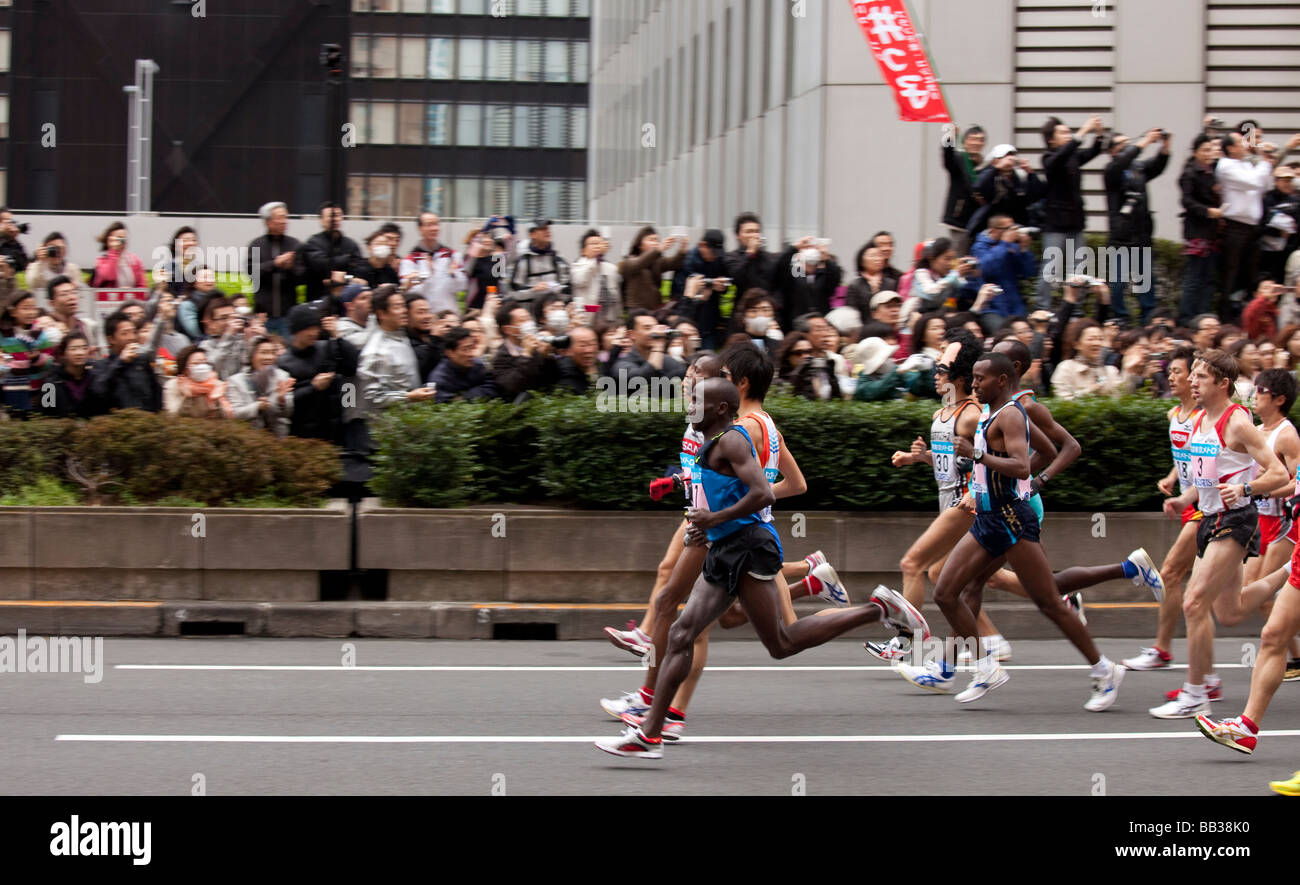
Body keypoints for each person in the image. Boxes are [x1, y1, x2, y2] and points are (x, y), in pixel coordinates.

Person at [596, 377, 916, 759]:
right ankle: (650, 734)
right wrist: (697, 508)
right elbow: (722, 487)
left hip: (749, 547)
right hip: (724, 548)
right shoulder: (714, 443)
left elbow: (762, 492)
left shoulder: (732, 439)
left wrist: (714, 520)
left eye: (696, 401)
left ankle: (878, 609)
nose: (688, 407)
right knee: (682, 633)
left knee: (782, 642)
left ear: (719, 408)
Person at [931, 351, 1126, 708]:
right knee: (945, 592)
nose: (973, 384)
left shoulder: (1010, 415)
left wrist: (979, 458)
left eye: (981, 378)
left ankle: (1104, 670)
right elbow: (1049, 450)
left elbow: (1022, 466)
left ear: (1002, 380)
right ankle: (985, 667)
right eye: (972, 377)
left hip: (1012, 519)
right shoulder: (989, 411)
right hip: (988, 519)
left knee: (1049, 601)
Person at [1151, 349, 1291, 718]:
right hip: (1209, 518)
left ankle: (1196, 691)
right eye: (1191, 375)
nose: (1191, 382)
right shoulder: (1200, 421)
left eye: (1200, 376)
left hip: (1236, 519)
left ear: (1222, 383)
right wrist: (1184, 499)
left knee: (1194, 602)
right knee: (1229, 611)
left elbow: (1279, 475)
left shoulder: (1237, 421)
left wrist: (1246, 490)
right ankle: (1288, 574)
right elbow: (1204, 478)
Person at [1122, 346, 1204, 672]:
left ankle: (1163, 651)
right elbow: (1184, 458)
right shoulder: (1174, 415)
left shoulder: (1204, 419)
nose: (1171, 377)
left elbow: (1212, 465)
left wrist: (1187, 496)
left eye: (1178, 372)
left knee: (1170, 573)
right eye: (1169, 372)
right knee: (1234, 595)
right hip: (1191, 505)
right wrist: (1172, 477)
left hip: (1206, 506)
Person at [1103, 127, 1171, 325]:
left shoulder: (1138, 168)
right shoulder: (1111, 171)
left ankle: (1147, 318)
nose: (1127, 147)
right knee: (1117, 283)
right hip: (1121, 237)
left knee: (1145, 282)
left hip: (1142, 234)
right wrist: (1146, 141)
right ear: (1112, 150)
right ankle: (1120, 318)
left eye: (1128, 143)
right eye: (1122, 144)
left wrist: (1165, 147)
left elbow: (1157, 165)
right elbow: (1125, 158)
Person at [1037, 115, 1106, 310]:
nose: (1068, 135)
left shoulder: (1073, 156)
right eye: (1063, 132)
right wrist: (1082, 132)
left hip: (1076, 222)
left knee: (1079, 269)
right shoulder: (1049, 158)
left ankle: (1075, 309)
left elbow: (1095, 150)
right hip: (1055, 224)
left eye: (1069, 132)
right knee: (1050, 268)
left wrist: (1098, 133)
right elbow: (1061, 157)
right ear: (1051, 139)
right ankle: (1043, 309)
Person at [277, 304, 361, 445]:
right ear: (296, 330)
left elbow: (352, 367)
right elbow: (286, 403)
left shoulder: (326, 347)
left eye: (316, 328)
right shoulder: (283, 363)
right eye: (308, 329)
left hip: (336, 430)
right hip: (305, 436)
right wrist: (313, 387)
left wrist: (337, 336)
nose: (313, 333)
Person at [356, 287, 434, 415]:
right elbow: (373, 396)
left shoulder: (402, 335)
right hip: (391, 426)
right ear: (382, 314)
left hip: (413, 418)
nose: (404, 311)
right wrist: (408, 396)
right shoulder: (375, 351)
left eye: (404, 306)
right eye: (397, 307)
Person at [92, 308, 165, 412]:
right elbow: (98, 390)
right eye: (125, 333)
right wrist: (120, 362)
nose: (132, 337)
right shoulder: (101, 365)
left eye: (134, 332)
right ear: (111, 339)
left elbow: (156, 392)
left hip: (146, 421)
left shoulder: (142, 361)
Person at [248, 201, 302, 338]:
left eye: (286, 217)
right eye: (280, 217)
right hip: (263, 315)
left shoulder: (295, 244)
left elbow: (302, 275)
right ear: (268, 222)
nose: (284, 221)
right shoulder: (256, 244)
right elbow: (252, 273)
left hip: (288, 314)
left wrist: (290, 268)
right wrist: (275, 264)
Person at [0, 290, 57, 416]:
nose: (31, 312)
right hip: (11, 394)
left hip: (39, 393)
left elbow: (51, 362)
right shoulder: (2, 335)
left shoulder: (40, 334)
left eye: (33, 308)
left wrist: (37, 358)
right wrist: (7, 363)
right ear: (12, 312)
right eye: (25, 308)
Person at [970, 215, 1037, 321]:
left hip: (1015, 304)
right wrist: (1004, 244)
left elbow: (1028, 273)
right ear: (993, 231)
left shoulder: (1012, 246)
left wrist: (1024, 249)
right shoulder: (979, 246)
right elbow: (985, 269)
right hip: (991, 306)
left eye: (1014, 228)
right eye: (1008, 228)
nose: (1013, 231)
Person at [968, 144, 1044, 236]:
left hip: (1016, 225)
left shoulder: (1019, 176)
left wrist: (1030, 173)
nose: (1010, 159)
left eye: (1012, 155)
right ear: (995, 160)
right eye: (1005, 156)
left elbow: (1037, 195)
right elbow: (979, 187)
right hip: (990, 227)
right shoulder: (989, 175)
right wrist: (995, 168)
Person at [399, 211, 466, 314]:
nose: (434, 228)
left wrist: (452, 274)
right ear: (420, 229)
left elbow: (462, 286)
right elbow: (412, 293)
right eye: (429, 225)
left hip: (449, 315)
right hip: (423, 317)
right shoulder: (410, 260)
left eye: (436, 224)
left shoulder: (453, 255)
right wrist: (428, 274)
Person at [490, 300, 558, 401]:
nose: (529, 323)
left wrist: (547, 356)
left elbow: (552, 380)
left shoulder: (538, 344)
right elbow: (513, 387)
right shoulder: (501, 358)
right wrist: (526, 354)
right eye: (523, 320)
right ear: (507, 329)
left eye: (529, 319)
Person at [671, 229, 730, 345]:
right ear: (702, 245)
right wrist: (711, 284)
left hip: (710, 322)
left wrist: (723, 286)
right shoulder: (688, 261)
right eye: (712, 252)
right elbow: (684, 291)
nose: (714, 257)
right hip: (689, 321)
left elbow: (725, 283)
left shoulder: (719, 260)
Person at [770, 236, 842, 331]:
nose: (810, 251)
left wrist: (826, 259)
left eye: (813, 248)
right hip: (795, 325)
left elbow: (835, 277)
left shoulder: (823, 273)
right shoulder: (794, 272)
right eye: (806, 248)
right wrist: (794, 248)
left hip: (820, 323)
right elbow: (779, 267)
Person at [227, 336, 295, 437]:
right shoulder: (236, 381)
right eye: (264, 352)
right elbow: (235, 414)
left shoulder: (282, 376)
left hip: (278, 440)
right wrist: (257, 406)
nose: (269, 357)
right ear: (251, 355)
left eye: (273, 352)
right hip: (248, 438)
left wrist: (281, 400)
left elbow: (289, 412)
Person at [618, 226, 687, 314]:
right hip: (636, 310)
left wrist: (682, 250)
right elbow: (639, 263)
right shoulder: (629, 261)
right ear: (639, 244)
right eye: (651, 240)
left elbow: (674, 263)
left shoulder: (657, 261)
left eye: (657, 240)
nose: (655, 243)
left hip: (655, 309)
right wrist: (658, 250)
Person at [302, 202, 362, 304]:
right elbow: (320, 266)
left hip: (347, 301)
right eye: (331, 216)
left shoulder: (350, 244)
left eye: (338, 215)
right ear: (322, 220)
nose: (335, 219)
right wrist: (345, 259)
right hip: (318, 299)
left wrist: (343, 278)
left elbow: (358, 268)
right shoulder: (313, 242)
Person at [39, 332, 106, 419]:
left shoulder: (95, 378)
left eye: (84, 348)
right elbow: (46, 416)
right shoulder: (50, 383)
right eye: (73, 349)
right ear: (63, 353)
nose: (79, 353)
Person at [941, 124, 986, 253]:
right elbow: (947, 158)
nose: (976, 143)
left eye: (980, 139)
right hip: (959, 220)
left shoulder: (986, 165)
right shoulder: (959, 160)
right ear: (965, 141)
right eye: (972, 139)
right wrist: (949, 137)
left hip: (979, 223)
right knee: (958, 259)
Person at [1051, 319, 1123, 399]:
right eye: (1091, 339)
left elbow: (1123, 400)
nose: (1097, 343)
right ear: (1076, 344)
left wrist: (1129, 371)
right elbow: (1063, 401)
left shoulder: (1111, 372)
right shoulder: (1066, 368)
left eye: (1100, 339)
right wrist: (1089, 391)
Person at [724, 213, 775, 317]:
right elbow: (736, 277)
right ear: (738, 235)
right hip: (742, 314)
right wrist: (750, 252)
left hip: (766, 312)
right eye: (749, 231)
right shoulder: (731, 257)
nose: (754, 235)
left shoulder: (770, 258)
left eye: (757, 231)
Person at [509, 218, 570, 304]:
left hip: (554, 314)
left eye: (548, 229)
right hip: (529, 315)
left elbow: (568, 291)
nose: (548, 232)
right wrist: (533, 290)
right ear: (532, 235)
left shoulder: (558, 258)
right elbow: (514, 294)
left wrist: (555, 290)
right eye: (543, 229)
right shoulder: (523, 261)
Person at [429, 326, 496, 403]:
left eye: (471, 348)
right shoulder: (439, 379)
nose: (471, 354)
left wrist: (466, 397)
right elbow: (446, 404)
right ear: (450, 353)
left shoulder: (477, 365)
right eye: (465, 349)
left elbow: (492, 387)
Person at [163, 346, 233, 419]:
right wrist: (188, 398)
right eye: (196, 363)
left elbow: (225, 418)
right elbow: (172, 417)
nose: (202, 366)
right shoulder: (174, 386)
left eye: (204, 362)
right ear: (184, 368)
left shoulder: (217, 385)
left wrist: (215, 401)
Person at [569, 229, 621, 323]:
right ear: (583, 251)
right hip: (588, 317)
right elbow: (580, 281)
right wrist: (596, 260)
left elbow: (616, 295)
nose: (597, 246)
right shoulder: (577, 266)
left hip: (609, 318)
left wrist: (619, 317)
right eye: (593, 243)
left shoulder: (611, 268)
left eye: (599, 243)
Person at [45, 275, 104, 356]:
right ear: (52, 303)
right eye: (64, 294)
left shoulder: (89, 327)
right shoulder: (46, 329)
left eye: (73, 292)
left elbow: (99, 357)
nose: (71, 297)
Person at [774, 332, 835, 401]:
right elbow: (785, 399)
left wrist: (832, 377)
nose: (806, 356)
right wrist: (798, 372)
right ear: (787, 356)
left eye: (809, 351)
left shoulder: (819, 378)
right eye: (798, 353)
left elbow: (835, 401)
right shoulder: (778, 382)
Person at [844, 244, 900, 317]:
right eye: (872, 256)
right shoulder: (855, 285)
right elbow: (851, 312)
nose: (877, 259)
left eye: (879, 255)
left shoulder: (890, 283)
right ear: (861, 261)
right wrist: (873, 290)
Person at [27, 233, 85, 303]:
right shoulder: (35, 266)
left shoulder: (72, 268)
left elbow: (80, 291)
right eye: (53, 248)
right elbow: (33, 284)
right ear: (45, 249)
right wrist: (40, 262)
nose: (58, 252)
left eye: (61, 248)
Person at [90, 222, 145, 288]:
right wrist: (113, 251)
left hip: (131, 298)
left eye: (124, 238)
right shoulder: (102, 261)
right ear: (109, 240)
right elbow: (109, 276)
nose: (122, 241)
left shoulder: (135, 261)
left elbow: (141, 286)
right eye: (119, 238)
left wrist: (131, 292)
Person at [404, 292, 443, 382]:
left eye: (428, 312)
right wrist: (435, 339)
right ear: (406, 315)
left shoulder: (432, 337)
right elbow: (423, 371)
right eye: (421, 312)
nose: (427, 316)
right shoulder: (404, 343)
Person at [553, 324, 599, 395]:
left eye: (593, 344)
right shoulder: (566, 384)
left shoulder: (599, 367)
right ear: (569, 350)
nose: (589, 350)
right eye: (583, 345)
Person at [333, 283, 375, 348]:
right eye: (363, 298)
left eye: (371, 297)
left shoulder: (375, 320)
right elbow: (361, 343)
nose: (370, 301)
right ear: (349, 306)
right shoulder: (341, 327)